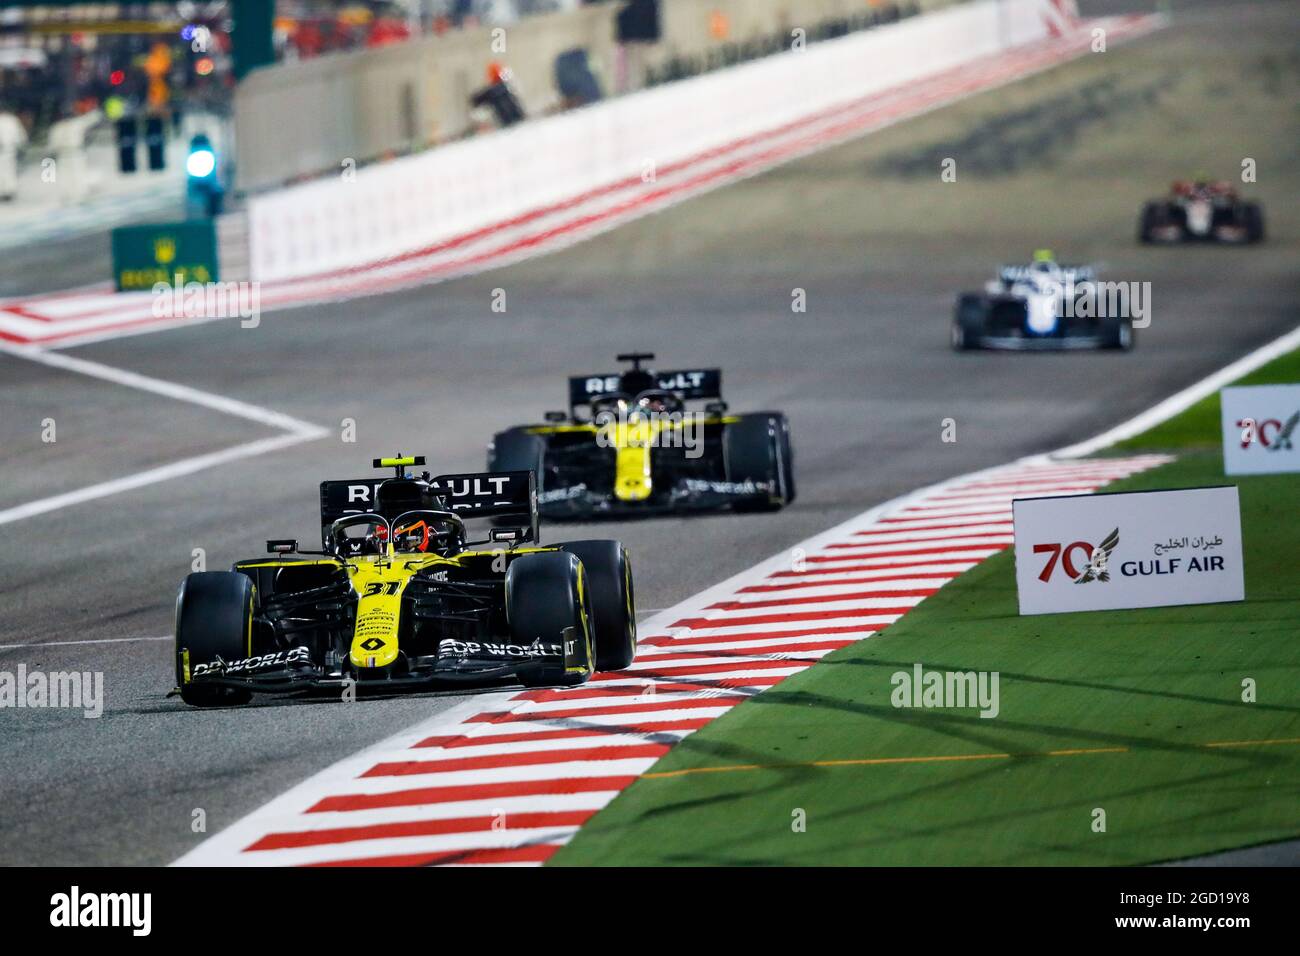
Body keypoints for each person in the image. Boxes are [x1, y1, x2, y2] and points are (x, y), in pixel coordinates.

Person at [0, 110, 27, 201]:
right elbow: (21, 135)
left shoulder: (11, 120)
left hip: (6, 150)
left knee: (4, 171)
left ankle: (5, 192)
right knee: (9, 170)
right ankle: (8, 192)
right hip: (10, 150)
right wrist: (22, 146)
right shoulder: (13, 120)